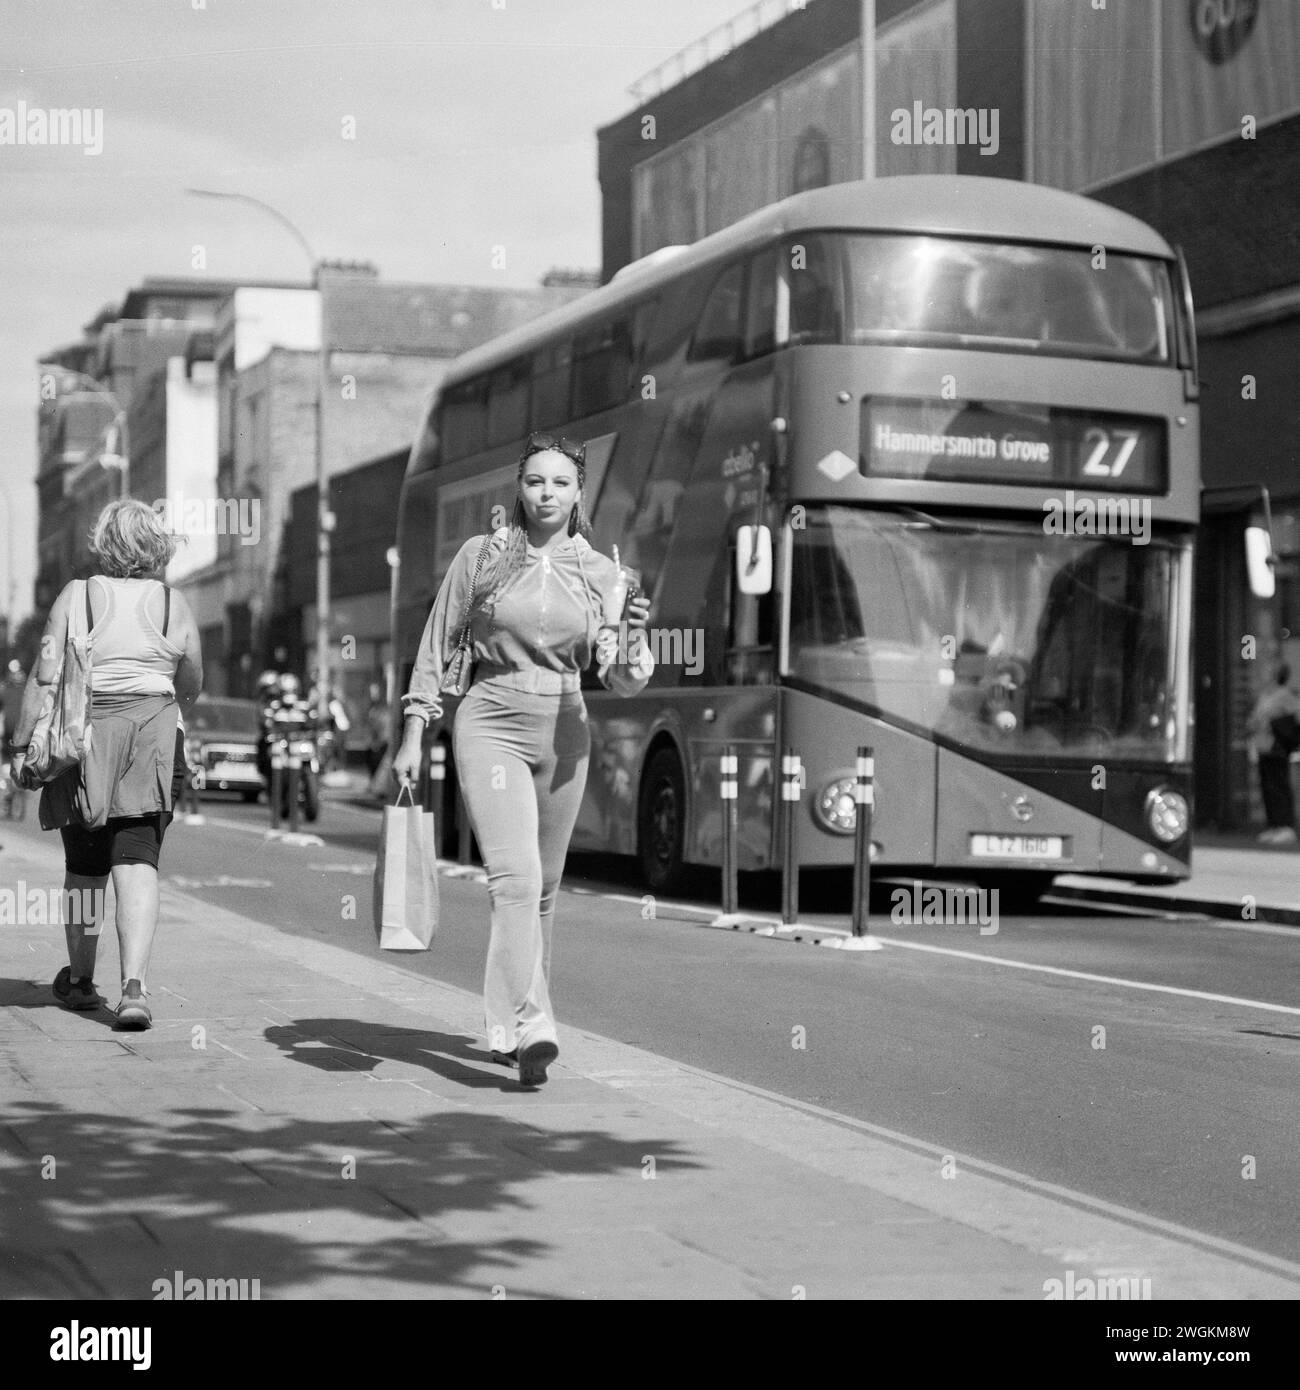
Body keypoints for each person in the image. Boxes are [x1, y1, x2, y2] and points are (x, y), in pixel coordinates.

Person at [392, 431, 654, 1088]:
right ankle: (535, 1018)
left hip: (566, 729)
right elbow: (436, 642)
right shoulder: (481, 556)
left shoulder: (604, 574)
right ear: (519, 487)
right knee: (513, 875)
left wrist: (632, 636)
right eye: (536, 481)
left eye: (560, 483)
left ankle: (504, 1024)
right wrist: (413, 732)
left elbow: (622, 679)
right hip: (491, 718)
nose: (546, 492)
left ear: (577, 493)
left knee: (541, 891)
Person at [7, 500, 203, 1027]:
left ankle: (80, 979)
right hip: (154, 738)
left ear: (105, 542)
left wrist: (21, 746)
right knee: (137, 861)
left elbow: (45, 677)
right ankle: (134, 990)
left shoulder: (78, 596)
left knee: (86, 867)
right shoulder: (172, 604)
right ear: (157, 545)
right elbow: (191, 682)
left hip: (82, 738)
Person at [1248, 663, 1300, 845]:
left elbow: (1296, 716)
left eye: (1269, 672)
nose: (1266, 675)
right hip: (1263, 746)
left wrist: (1278, 724)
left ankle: (1285, 826)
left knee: (1279, 785)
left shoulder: (1286, 695)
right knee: (1267, 786)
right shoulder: (1265, 695)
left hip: (1277, 747)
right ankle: (1273, 825)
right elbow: (1256, 717)